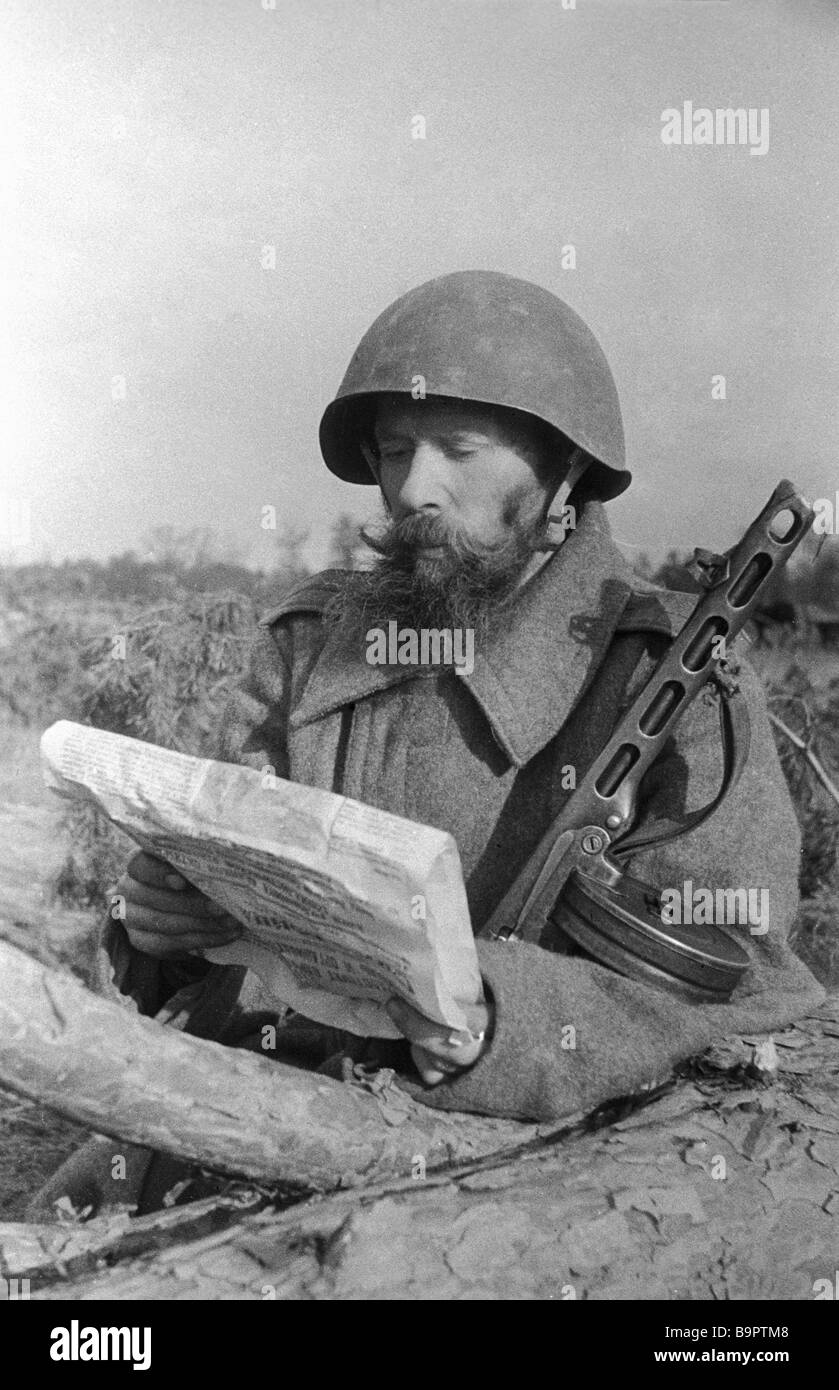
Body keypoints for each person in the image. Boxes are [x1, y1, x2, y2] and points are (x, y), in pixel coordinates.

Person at [31, 271, 824, 1216]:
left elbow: (738, 979)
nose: (415, 488)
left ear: (562, 471)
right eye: (397, 449)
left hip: (516, 1159)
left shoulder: (674, 681)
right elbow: (214, 881)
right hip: (248, 1101)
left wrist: (503, 1018)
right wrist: (160, 926)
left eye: (458, 448)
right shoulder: (312, 640)